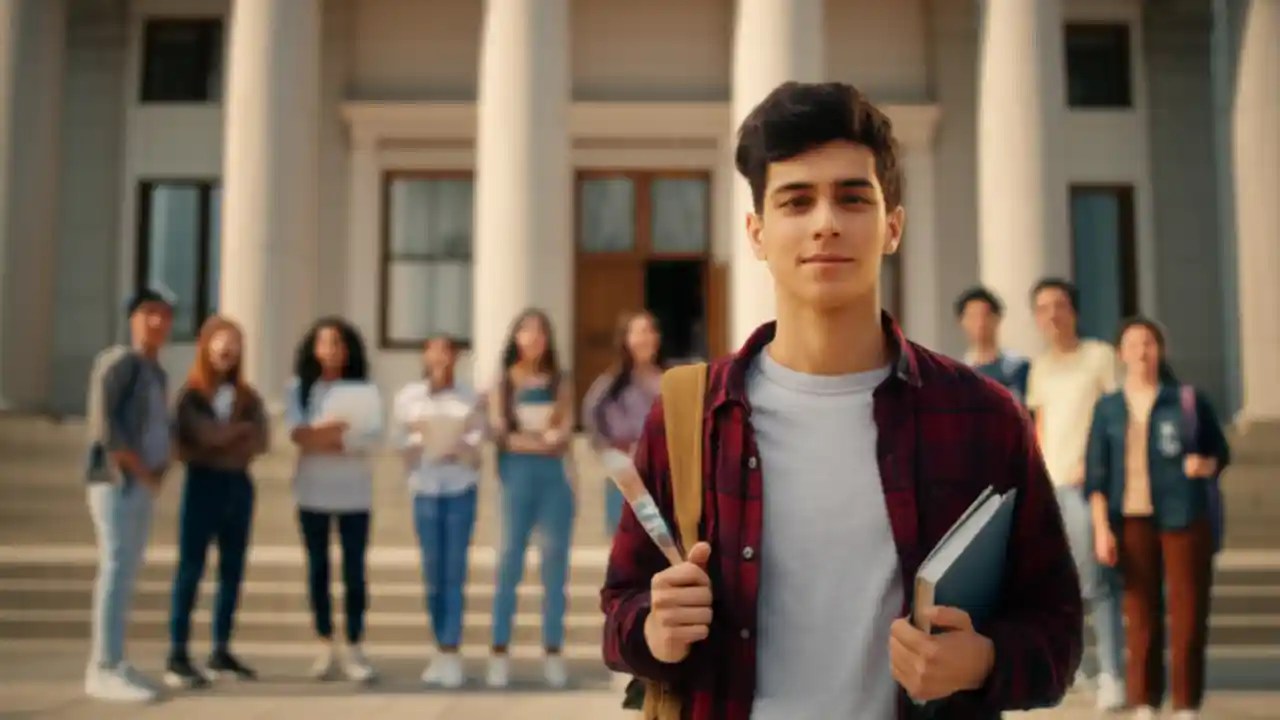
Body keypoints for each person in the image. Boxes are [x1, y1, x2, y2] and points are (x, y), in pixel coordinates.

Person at [600, 81, 1082, 719]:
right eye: (796, 201)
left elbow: (1058, 628)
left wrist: (983, 661)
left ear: (892, 226)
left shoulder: (982, 418)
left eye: (853, 198)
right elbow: (621, 609)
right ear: (757, 232)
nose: (826, 222)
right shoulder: (692, 415)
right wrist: (653, 630)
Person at [1085, 317, 1230, 720]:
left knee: (1187, 614)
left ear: (1160, 350)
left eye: (1149, 343)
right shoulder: (1109, 407)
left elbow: (1220, 452)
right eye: (1132, 345)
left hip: (1184, 517)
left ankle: (1185, 703)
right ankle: (1145, 701)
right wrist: (1101, 529)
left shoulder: (1185, 400)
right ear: (1121, 353)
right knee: (1140, 616)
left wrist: (1205, 464)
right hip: (1130, 519)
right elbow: (1097, 473)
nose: (1141, 352)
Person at [1026, 277, 1127, 711]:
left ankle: (1113, 674)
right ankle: (1077, 665)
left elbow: (1118, 417)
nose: (1053, 315)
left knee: (1097, 582)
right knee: (1060, 583)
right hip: (1051, 488)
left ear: (1075, 311)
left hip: (1088, 486)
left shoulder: (1100, 356)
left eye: (1060, 305)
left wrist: (1096, 464)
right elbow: (1040, 427)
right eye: (1044, 308)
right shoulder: (1040, 367)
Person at [166, 316, 269, 688]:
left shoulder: (248, 396)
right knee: (191, 568)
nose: (227, 350)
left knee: (232, 570)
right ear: (206, 346)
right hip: (202, 484)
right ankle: (178, 652)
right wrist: (232, 435)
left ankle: (220, 649)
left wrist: (227, 438)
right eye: (220, 342)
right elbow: (201, 436)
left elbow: (260, 440)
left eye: (234, 343)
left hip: (239, 487)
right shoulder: (192, 394)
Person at [83, 288, 175, 702]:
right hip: (116, 482)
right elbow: (106, 427)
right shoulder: (118, 362)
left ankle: (118, 661)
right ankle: (101, 667)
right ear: (133, 318)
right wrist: (140, 470)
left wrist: (159, 469)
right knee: (116, 566)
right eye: (148, 313)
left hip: (143, 484)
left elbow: (157, 428)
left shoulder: (158, 373)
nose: (157, 322)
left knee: (128, 570)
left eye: (164, 315)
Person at [285, 317, 382, 683]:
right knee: (318, 569)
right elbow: (299, 435)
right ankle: (325, 642)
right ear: (313, 348)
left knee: (354, 572)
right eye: (324, 343)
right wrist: (336, 432)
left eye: (338, 343)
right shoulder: (299, 389)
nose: (331, 350)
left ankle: (355, 645)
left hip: (354, 492)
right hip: (313, 490)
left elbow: (370, 436)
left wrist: (325, 437)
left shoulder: (366, 390)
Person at [487, 309, 577, 690]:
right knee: (509, 560)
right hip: (516, 477)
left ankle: (553, 651)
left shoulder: (561, 381)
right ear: (516, 338)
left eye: (541, 331)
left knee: (555, 565)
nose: (534, 338)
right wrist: (537, 443)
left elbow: (566, 429)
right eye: (527, 331)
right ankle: (499, 653)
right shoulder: (504, 383)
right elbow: (500, 432)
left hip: (554, 481)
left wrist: (538, 441)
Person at [390, 335, 486, 689]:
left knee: (454, 572)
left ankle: (452, 649)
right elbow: (398, 442)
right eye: (434, 351)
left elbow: (479, 445)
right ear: (425, 356)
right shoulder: (408, 398)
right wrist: (420, 439)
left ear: (456, 357)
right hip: (425, 489)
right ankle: (438, 649)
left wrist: (459, 444)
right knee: (432, 572)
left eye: (448, 351)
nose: (441, 358)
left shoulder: (469, 397)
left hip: (460, 487)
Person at [582, 310, 665, 538]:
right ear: (625, 340)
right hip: (625, 481)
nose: (646, 338)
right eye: (639, 332)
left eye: (650, 331)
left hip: (663, 482)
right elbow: (595, 431)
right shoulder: (609, 386)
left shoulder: (670, 383)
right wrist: (617, 462)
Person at [954, 286, 1030, 403]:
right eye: (972, 316)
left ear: (997, 318)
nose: (980, 323)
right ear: (961, 321)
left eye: (985, 315)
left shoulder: (1018, 368)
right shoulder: (956, 373)